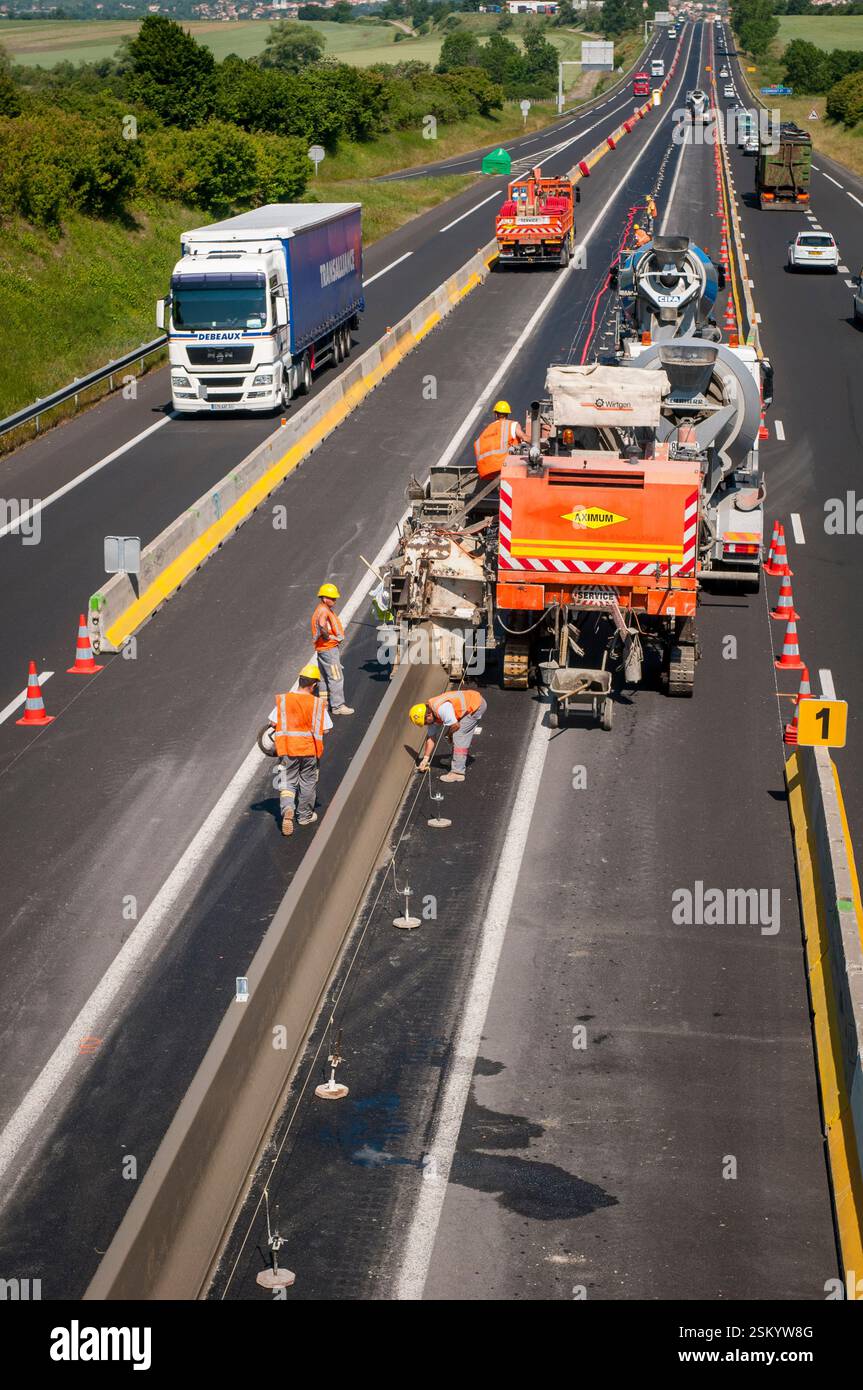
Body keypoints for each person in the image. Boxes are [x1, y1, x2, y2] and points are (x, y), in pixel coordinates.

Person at [273, 663, 332, 836]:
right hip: (309, 751)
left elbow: (272, 721)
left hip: (288, 749)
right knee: (307, 782)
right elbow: (326, 729)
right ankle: (304, 816)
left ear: (300, 680)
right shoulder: (317, 704)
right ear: (313, 685)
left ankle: (287, 809)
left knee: (287, 782)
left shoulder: (285, 700)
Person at [409, 689, 487, 783]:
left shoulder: (442, 709)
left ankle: (457, 773)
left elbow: (456, 726)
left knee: (459, 735)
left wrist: (448, 734)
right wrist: (425, 759)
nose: (426, 725)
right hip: (468, 705)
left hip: (476, 705)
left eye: (425, 723)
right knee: (454, 733)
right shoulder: (431, 713)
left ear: (429, 715)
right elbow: (431, 737)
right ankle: (455, 760)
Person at [311, 582, 354, 716]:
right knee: (336, 677)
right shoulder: (324, 611)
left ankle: (324, 704)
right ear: (325, 598)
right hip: (329, 650)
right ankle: (338, 706)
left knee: (323, 678)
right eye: (333, 598)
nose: (335, 601)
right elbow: (322, 625)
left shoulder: (320, 609)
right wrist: (329, 637)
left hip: (322, 649)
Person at [473, 400, 526, 481]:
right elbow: (524, 437)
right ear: (507, 414)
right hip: (505, 467)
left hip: (486, 471)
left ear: (495, 414)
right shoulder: (512, 425)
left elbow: (477, 444)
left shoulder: (488, 429)